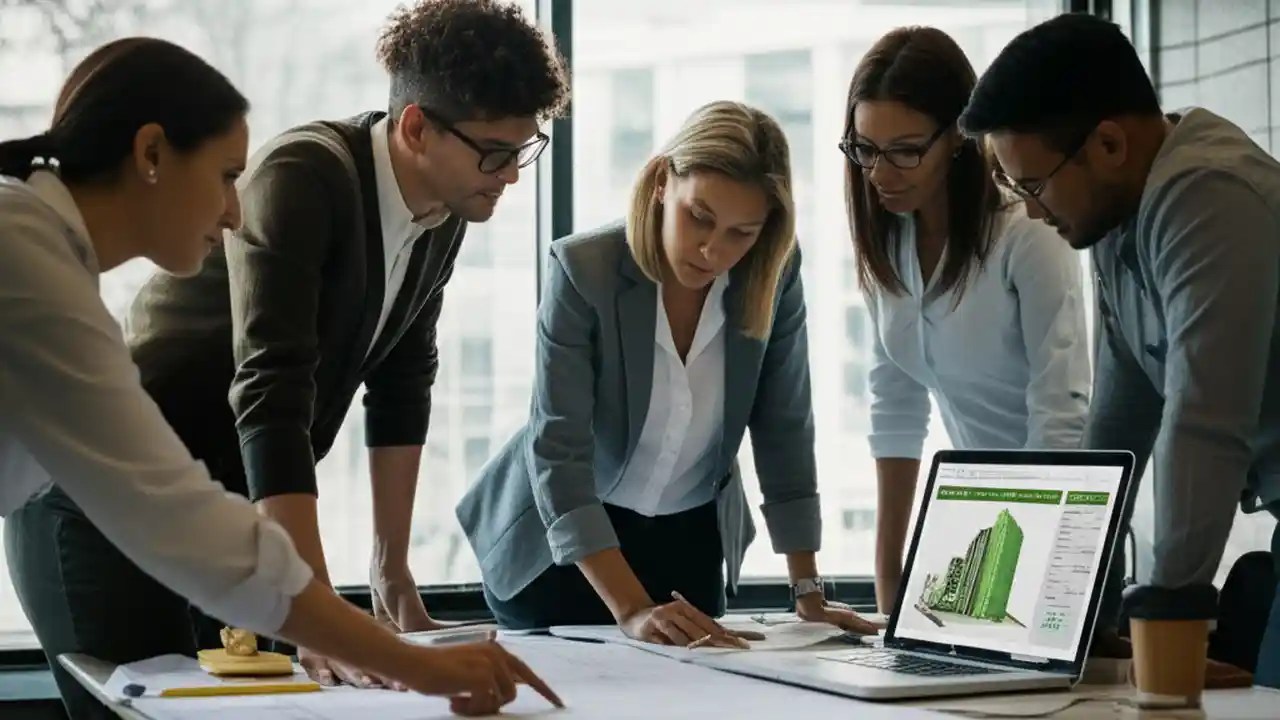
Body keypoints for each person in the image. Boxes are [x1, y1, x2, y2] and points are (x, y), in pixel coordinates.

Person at [4, 0, 569, 695]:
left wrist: (386, 574)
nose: (237, 211)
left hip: (205, 512)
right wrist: (400, 656)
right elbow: (260, 408)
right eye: (224, 176)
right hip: (108, 516)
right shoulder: (29, 259)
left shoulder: (445, 215)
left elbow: (402, 379)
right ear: (151, 154)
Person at [457, 101, 877, 644]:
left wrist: (808, 593)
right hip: (563, 555)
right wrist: (630, 609)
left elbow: (784, 426)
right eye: (699, 217)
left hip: (688, 549)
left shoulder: (775, 269)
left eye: (740, 232)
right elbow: (558, 453)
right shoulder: (586, 270)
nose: (712, 248)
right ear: (661, 182)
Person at [958, 12, 1280, 685]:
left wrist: (1166, 610)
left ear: (1106, 144)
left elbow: (1204, 418)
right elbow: (1120, 423)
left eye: (1033, 187)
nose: (1034, 214)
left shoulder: (1205, 195)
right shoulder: (1115, 219)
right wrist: (1077, 612)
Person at [841, 27, 1091, 613]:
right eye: (865, 148)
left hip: (1059, 520)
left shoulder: (1026, 235)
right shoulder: (888, 241)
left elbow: (1061, 416)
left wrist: (1022, 568)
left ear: (957, 135)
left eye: (905, 150)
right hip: (984, 520)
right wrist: (889, 580)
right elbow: (895, 406)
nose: (880, 173)